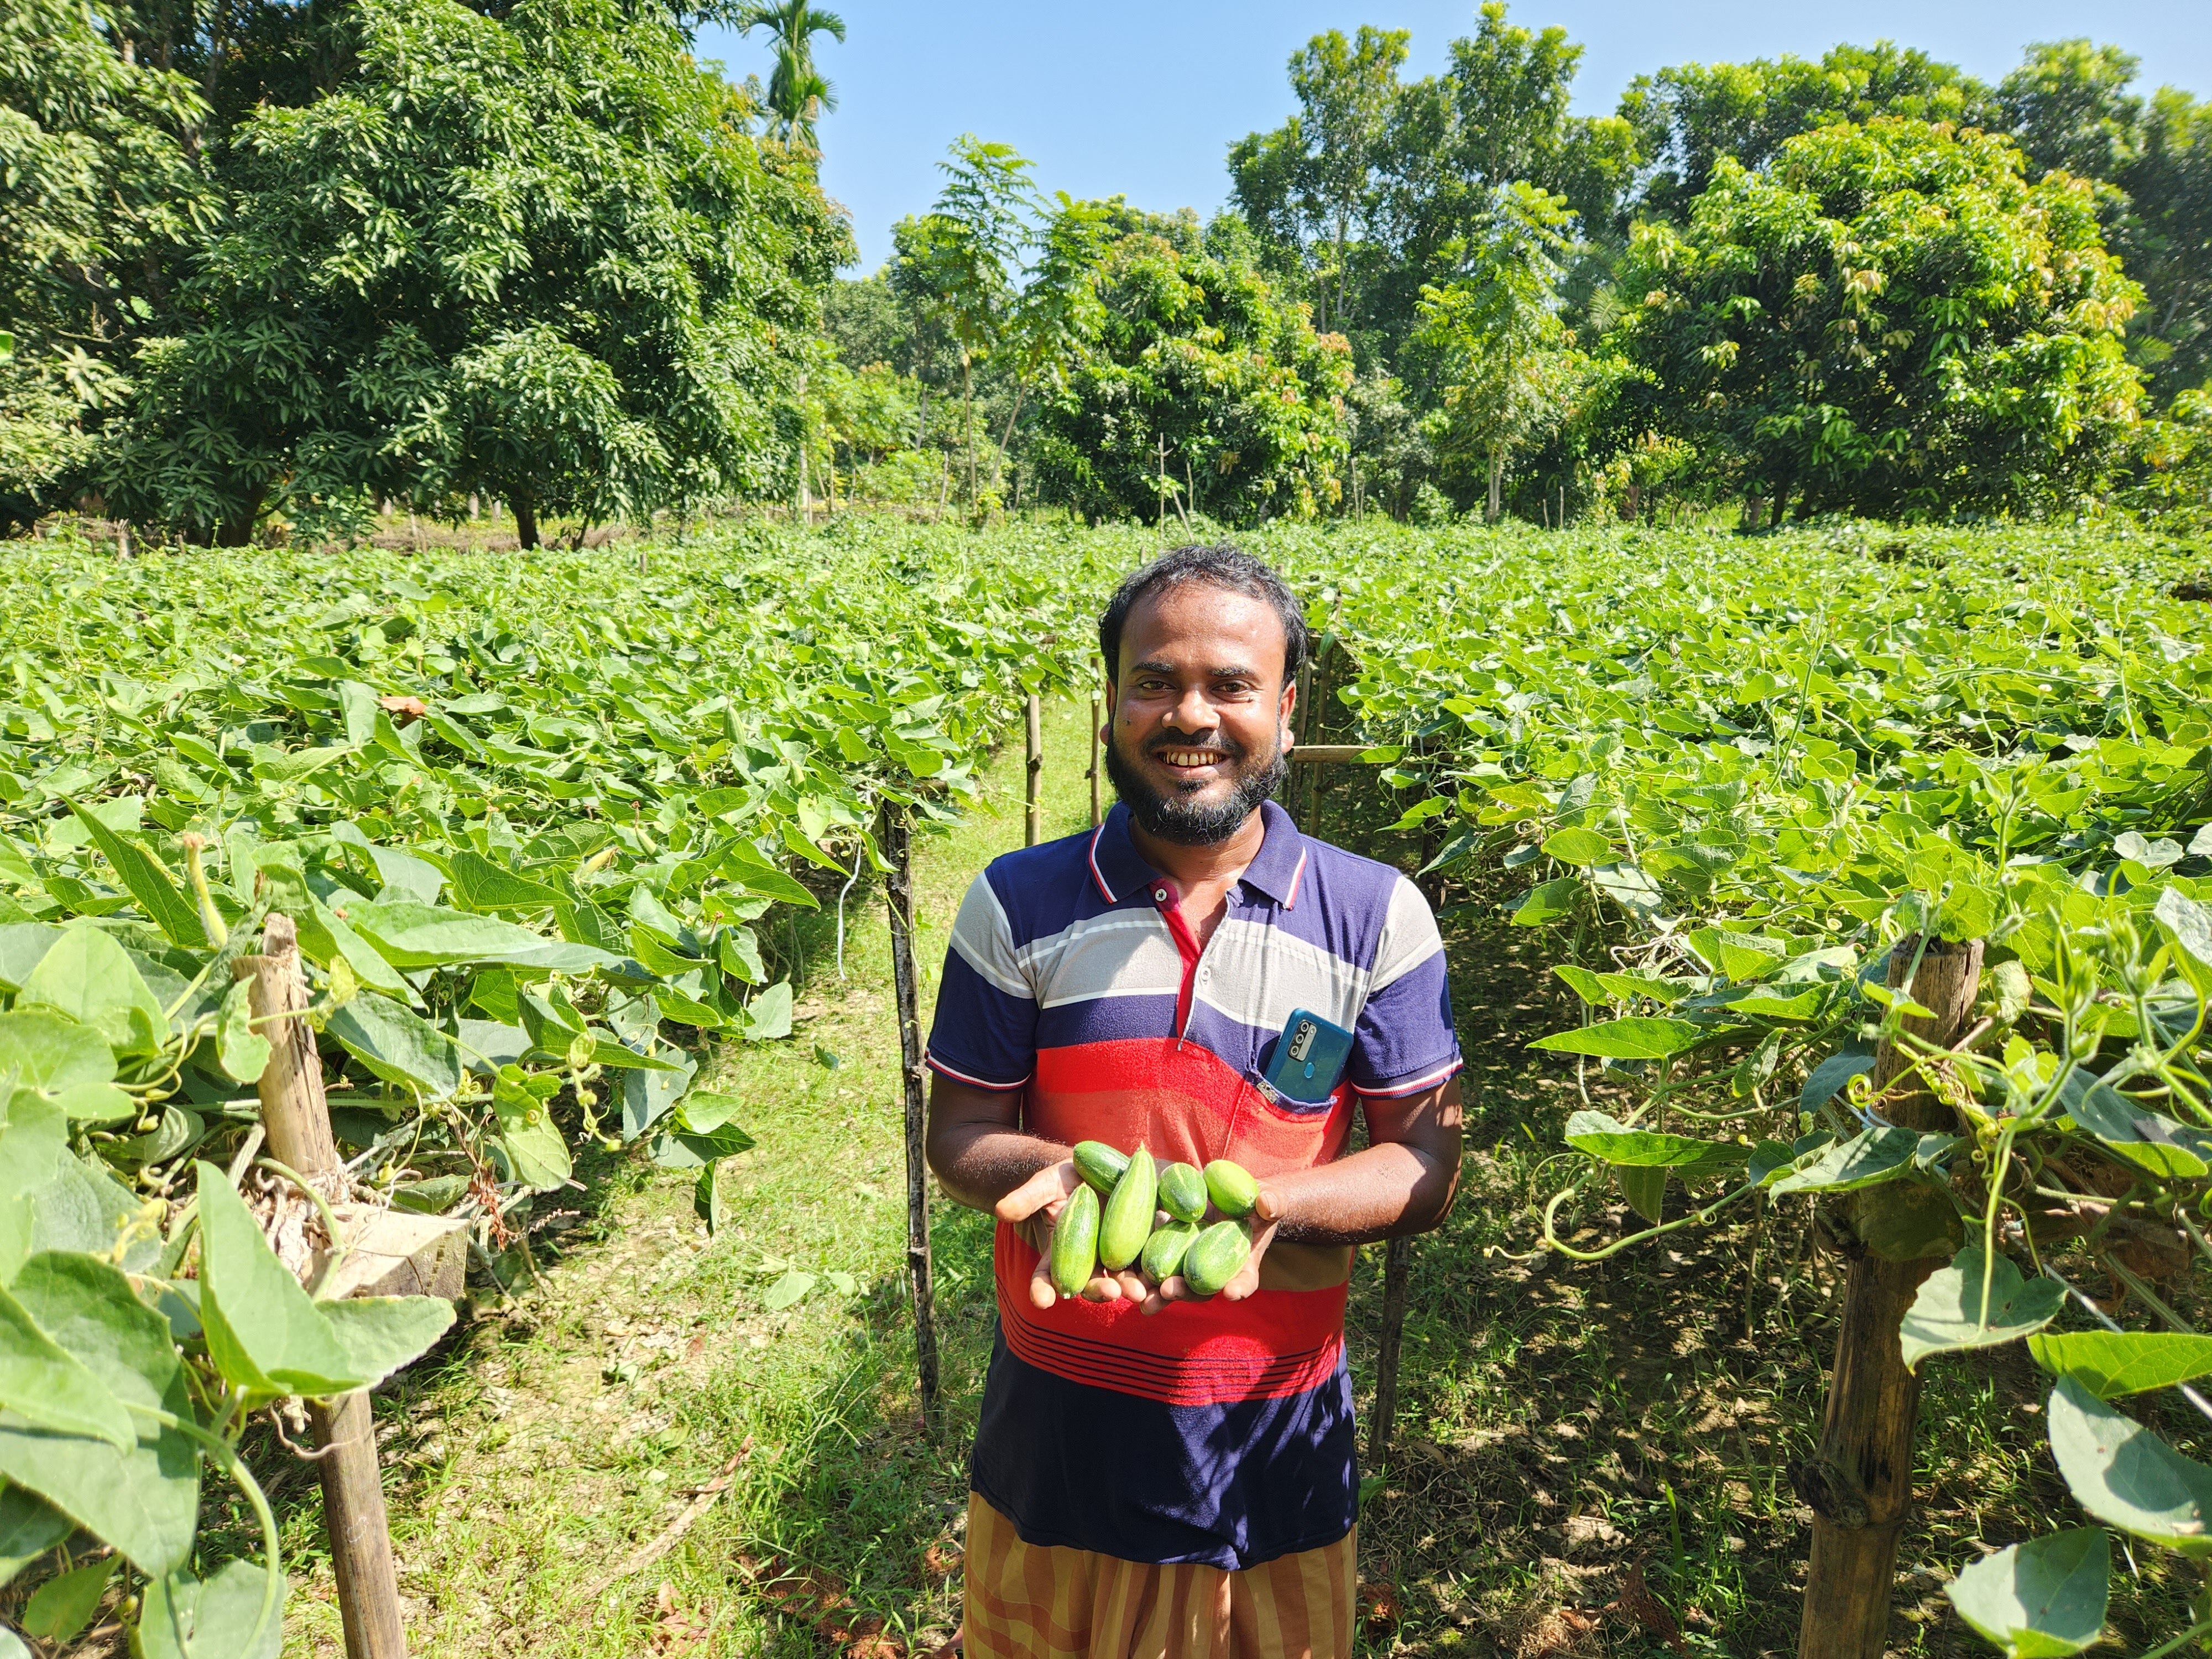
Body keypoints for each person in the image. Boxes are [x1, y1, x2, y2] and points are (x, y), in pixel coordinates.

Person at [925, 544, 1464, 1659]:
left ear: (1285, 705)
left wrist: (1276, 1205)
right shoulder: (1012, 904)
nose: (1189, 716)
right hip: (1055, 1426)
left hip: (1272, 1433)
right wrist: (1053, 1177)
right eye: (1152, 681)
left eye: (1229, 685)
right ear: (1110, 698)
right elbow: (959, 1133)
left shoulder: (1377, 916)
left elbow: (1422, 1163)